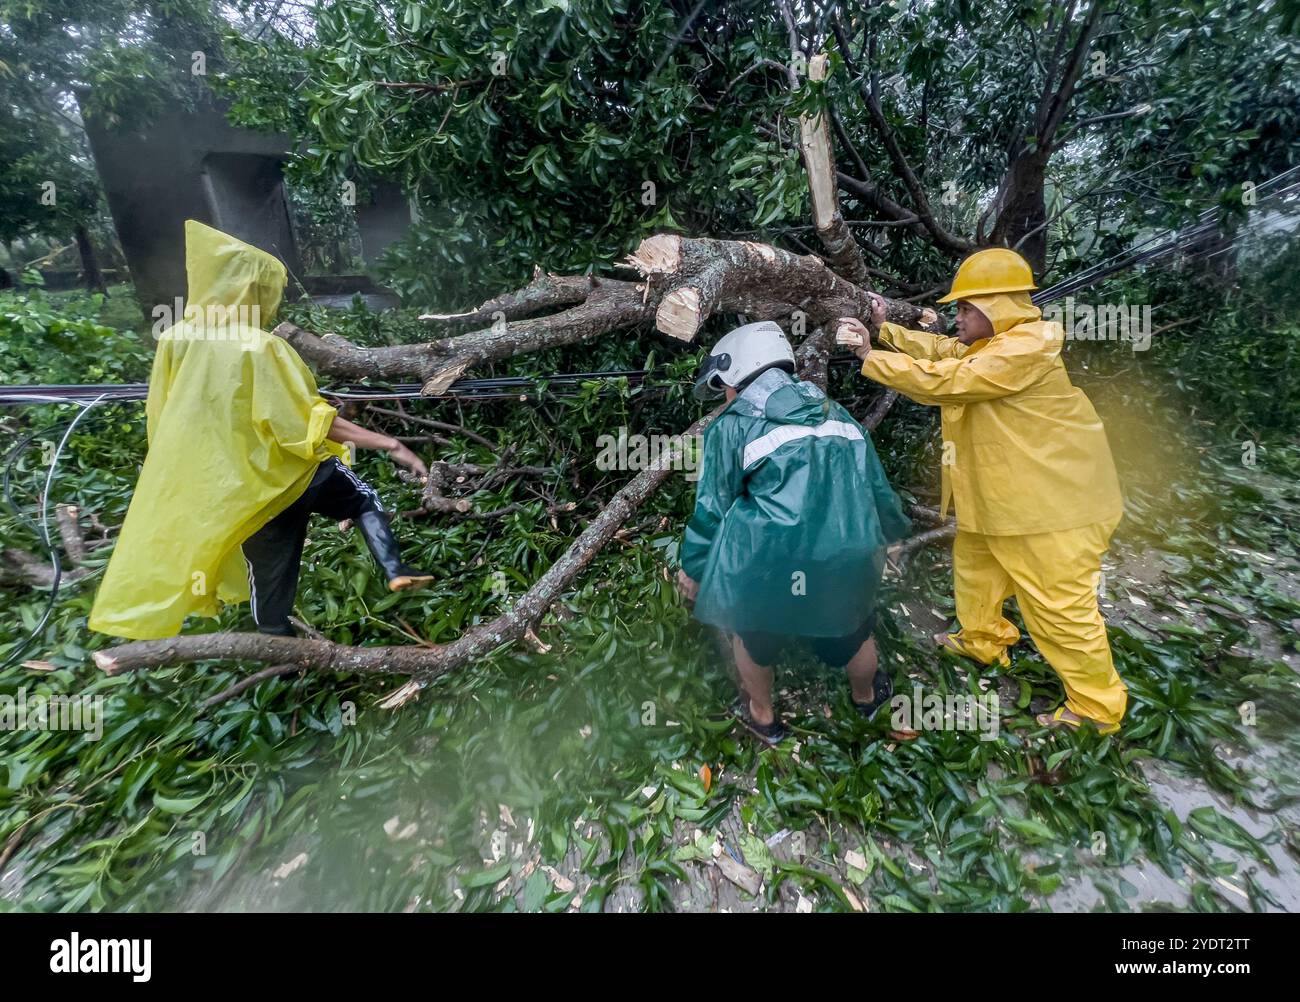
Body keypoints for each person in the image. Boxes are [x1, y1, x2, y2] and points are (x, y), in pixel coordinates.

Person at [89, 220, 432, 641]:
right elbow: (307, 423)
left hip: (242, 494)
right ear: (249, 287)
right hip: (296, 476)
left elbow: (163, 413)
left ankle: (280, 665)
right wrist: (391, 443)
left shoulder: (175, 340)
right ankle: (396, 569)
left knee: (270, 586)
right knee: (363, 501)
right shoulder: (261, 346)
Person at [838, 248, 1127, 734]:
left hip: (1053, 509)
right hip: (1001, 503)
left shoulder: (1025, 348)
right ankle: (983, 640)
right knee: (975, 572)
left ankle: (1097, 708)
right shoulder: (992, 345)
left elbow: (951, 380)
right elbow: (943, 352)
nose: (957, 317)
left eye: (966, 308)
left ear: (999, 306)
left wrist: (870, 357)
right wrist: (886, 330)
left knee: (1059, 608)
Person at [676, 320, 911, 745]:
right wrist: (892, 534)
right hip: (848, 556)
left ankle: (763, 716)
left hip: (768, 564)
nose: (725, 398)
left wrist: (694, 568)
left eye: (725, 387)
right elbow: (876, 486)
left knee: (752, 636)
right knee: (854, 632)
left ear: (739, 376)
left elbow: (712, 510)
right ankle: (867, 698)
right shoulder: (836, 413)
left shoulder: (730, 428)